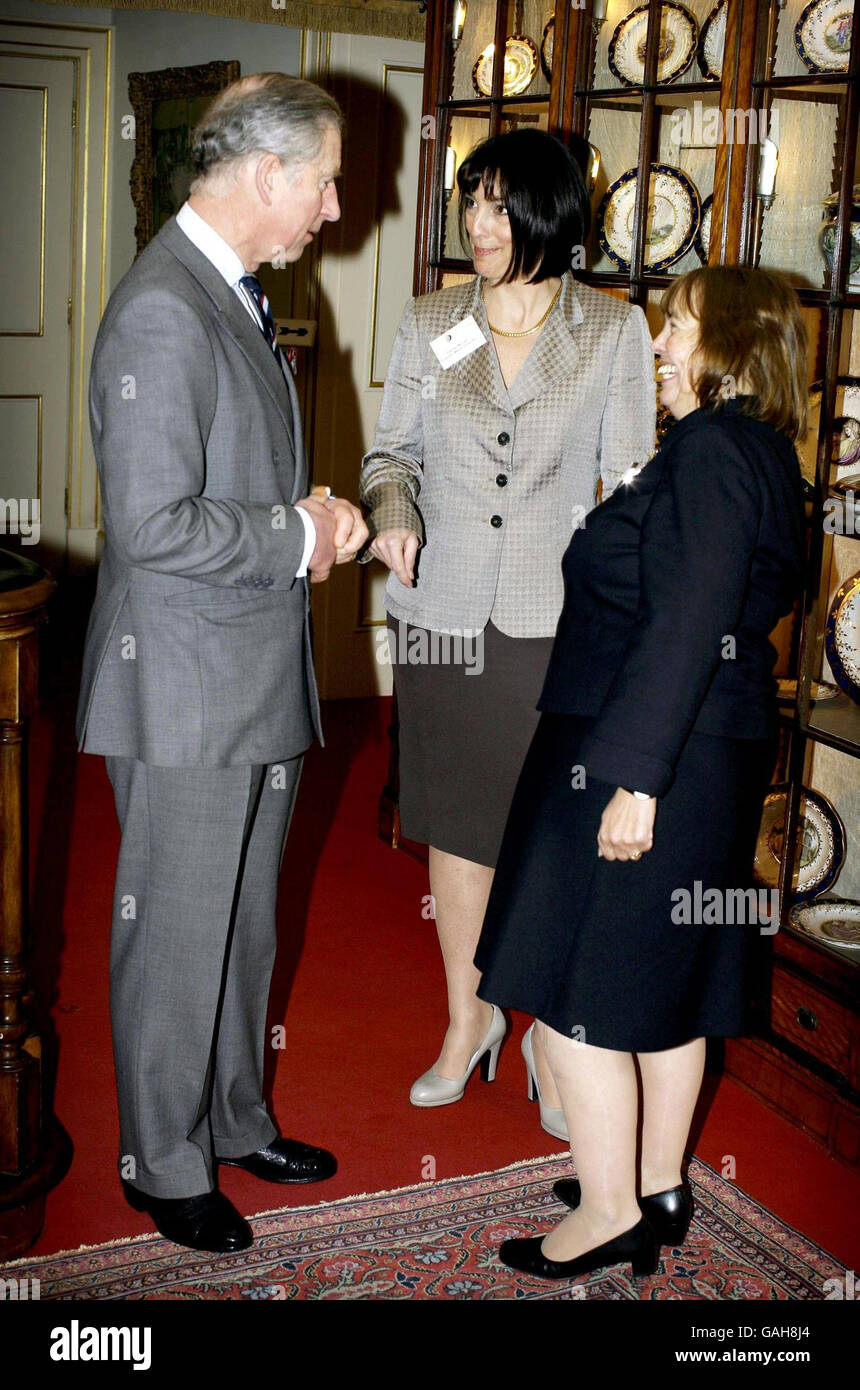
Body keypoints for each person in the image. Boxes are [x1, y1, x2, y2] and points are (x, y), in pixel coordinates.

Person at [76, 74, 367, 1254]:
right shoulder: (163, 307)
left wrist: (302, 522)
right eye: (328, 179)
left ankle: (234, 1118)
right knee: (179, 932)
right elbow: (152, 527)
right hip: (184, 687)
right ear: (267, 175)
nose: (337, 208)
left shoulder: (226, 289)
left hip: (245, 674)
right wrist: (303, 533)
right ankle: (162, 1158)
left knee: (242, 924)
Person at [474, 265, 808, 1281]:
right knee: (659, 989)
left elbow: (683, 622)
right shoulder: (758, 449)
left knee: (574, 985)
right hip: (697, 742)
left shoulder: (709, 449)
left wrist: (633, 780)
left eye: (677, 329)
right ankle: (656, 1181)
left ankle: (611, 1212)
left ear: (729, 346)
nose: (660, 346)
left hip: (646, 749)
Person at [359, 128, 655, 1121]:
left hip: (558, 623)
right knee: (455, 829)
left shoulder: (612, 332)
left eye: (496, 205)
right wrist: (394, 521)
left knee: (554, 835)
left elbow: (629, 492)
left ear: (547, 214)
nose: (477, 225)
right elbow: (388, 456)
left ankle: (550, 1042)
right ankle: (468, 1017)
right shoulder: (431, 321)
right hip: (440, 614)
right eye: (470, 204)